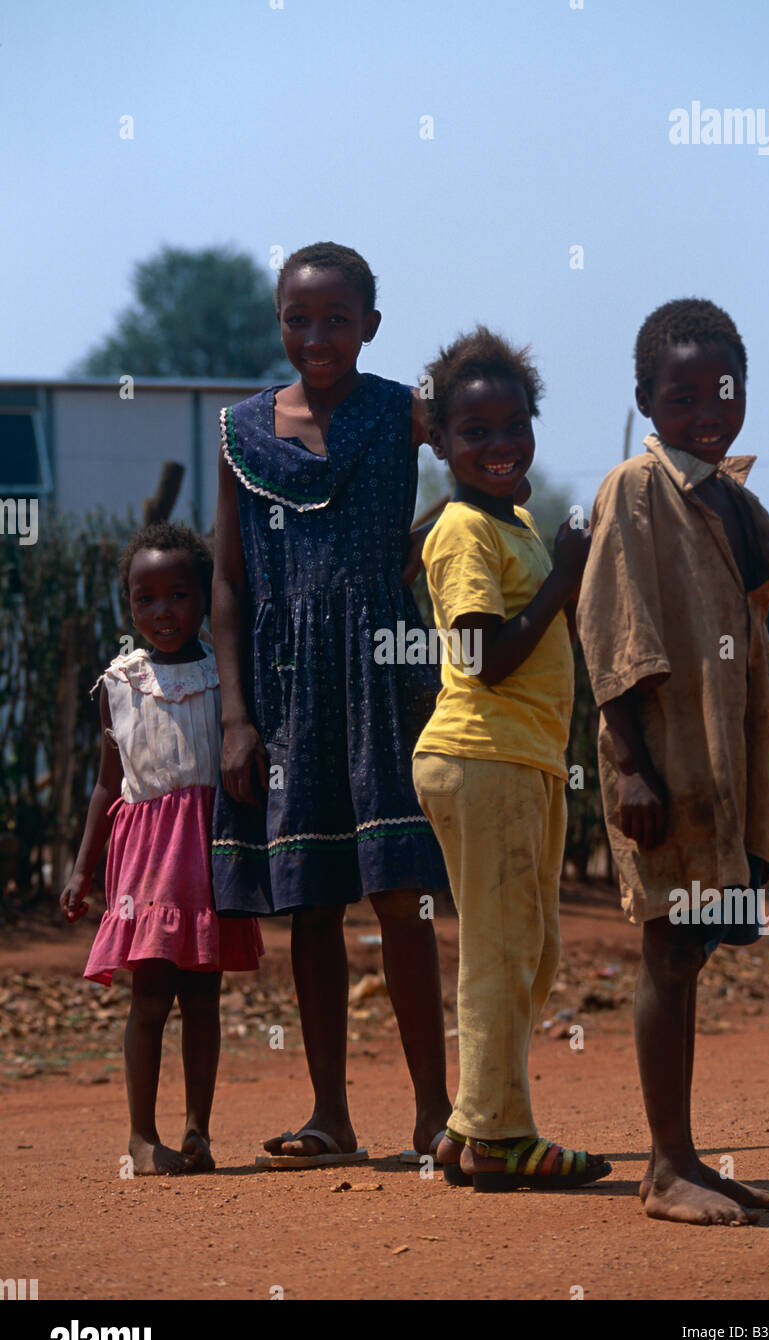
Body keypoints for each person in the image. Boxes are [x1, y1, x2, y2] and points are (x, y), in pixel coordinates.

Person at [211, 242, 451, 1167]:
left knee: (401, 895)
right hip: (284, 690)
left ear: (371, 327)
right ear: (279, 323)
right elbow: (228, 583)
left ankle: (435, 1114)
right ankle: (330, 1117)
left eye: (337, 320)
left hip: (385, 673)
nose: (317, 337)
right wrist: (237, 715)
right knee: (310, 902)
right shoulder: (240, 430)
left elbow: (488, 437)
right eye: (298, 320)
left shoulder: (400, 411)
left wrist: (430, 547)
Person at [576, 298, 769, 1225]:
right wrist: (628, 765)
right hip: (660, 760)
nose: (708, 406)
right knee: (666, 945)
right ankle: (665, 1168)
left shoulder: (740, 507)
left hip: (722, 765)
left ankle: (687, 1155)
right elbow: (611, 631)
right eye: (683, 391)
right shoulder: (635, 488)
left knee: (692, 948)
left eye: (724, 389)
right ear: (645, 399)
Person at [412, 326, 611, 1192]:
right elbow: (481, 660)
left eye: (512, 427)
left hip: (517, 759)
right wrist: (563, 578)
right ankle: (501, 1136)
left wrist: (564, 564)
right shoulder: (463, 531)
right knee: (503, 954)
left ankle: (467, 1124)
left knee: (526, 954)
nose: (498, 445)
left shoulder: (514, 523)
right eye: (475, 432)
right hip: (482, 755)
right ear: (444, 442)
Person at [60, 522, 263, 1175]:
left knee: (203, 996)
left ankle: (197, 1130)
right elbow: (103, 785)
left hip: (208, 857)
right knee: (149, 994)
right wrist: (82, 867)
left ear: (205, 597)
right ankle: (142, 1139)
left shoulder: (225, 678)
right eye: (146, 599)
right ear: (129, 605)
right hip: (146, 865)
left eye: (178, 595)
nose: (163, 611)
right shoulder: (119, 683)